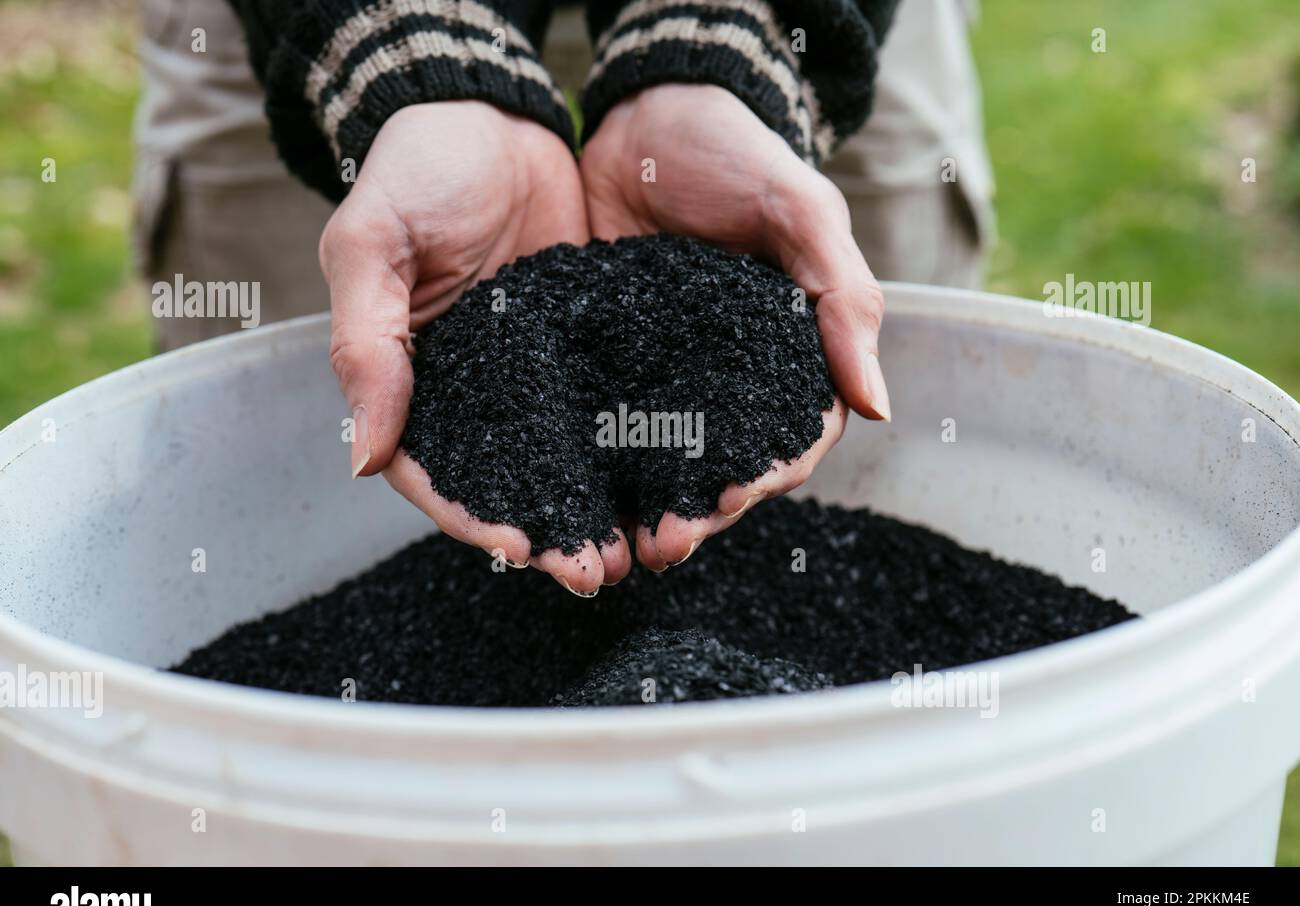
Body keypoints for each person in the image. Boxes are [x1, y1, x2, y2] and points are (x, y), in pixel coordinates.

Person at [133, 0, 994, 594]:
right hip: (315, 31)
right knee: (280, 517)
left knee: (867, 515)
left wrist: (729, 39)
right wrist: (410, 51)